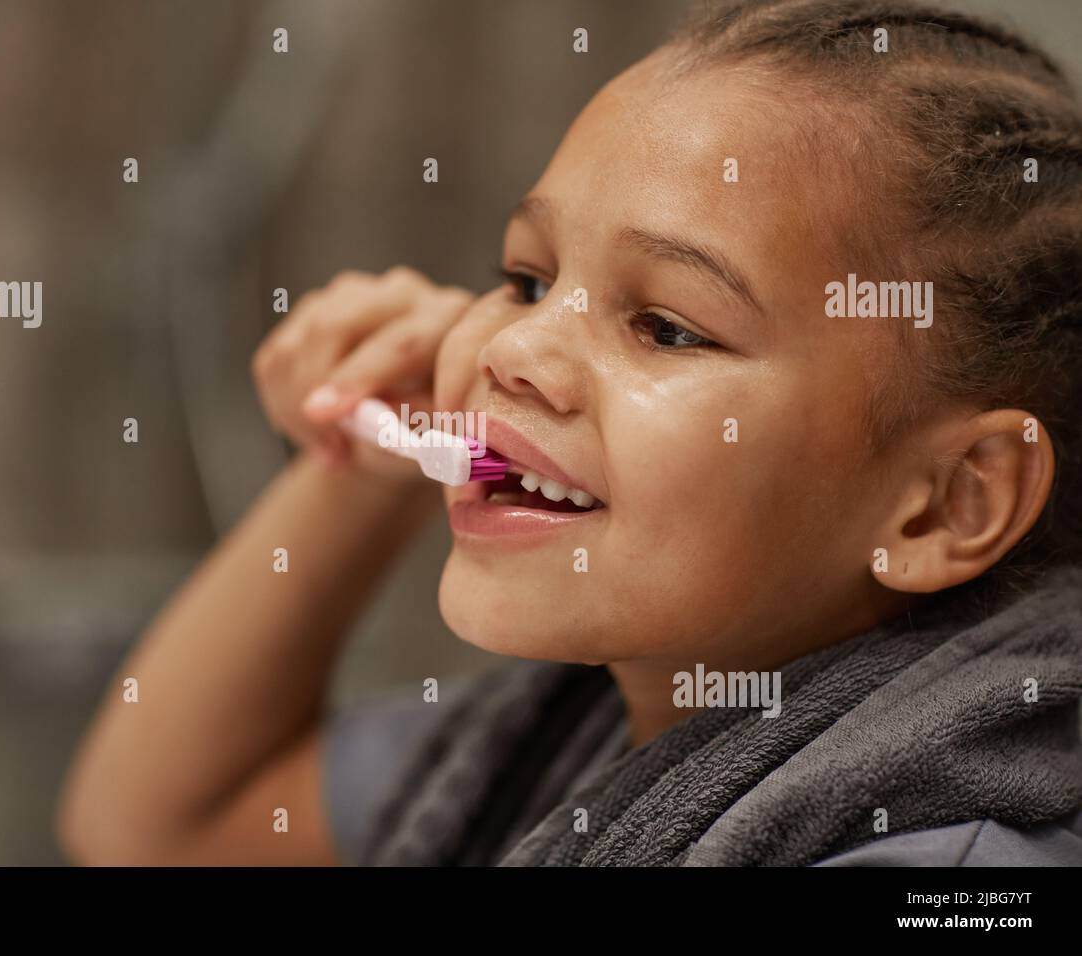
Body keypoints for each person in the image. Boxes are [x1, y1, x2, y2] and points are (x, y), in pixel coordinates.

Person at [56, 0, 1082, 866]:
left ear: (950, 499)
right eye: (526, 279)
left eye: (666, 325)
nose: (512, 349)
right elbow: (158, 825)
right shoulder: (565, 739)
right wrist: (358, 471)